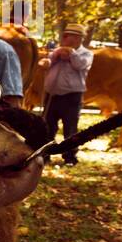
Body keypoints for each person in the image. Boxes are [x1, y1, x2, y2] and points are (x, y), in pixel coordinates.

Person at [39, 24, 93, 164]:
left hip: (71, 97)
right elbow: (49, 62)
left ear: (79, 39)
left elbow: (80, 65)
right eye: (66, 36)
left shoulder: (86, 54)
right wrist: (47, 61)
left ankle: (70, 157)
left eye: (71, 36)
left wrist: (71, 54)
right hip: (52, 95)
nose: (67, 39)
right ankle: (46, 154)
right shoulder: (56, 52)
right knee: (48, 127)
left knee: (70, 128)